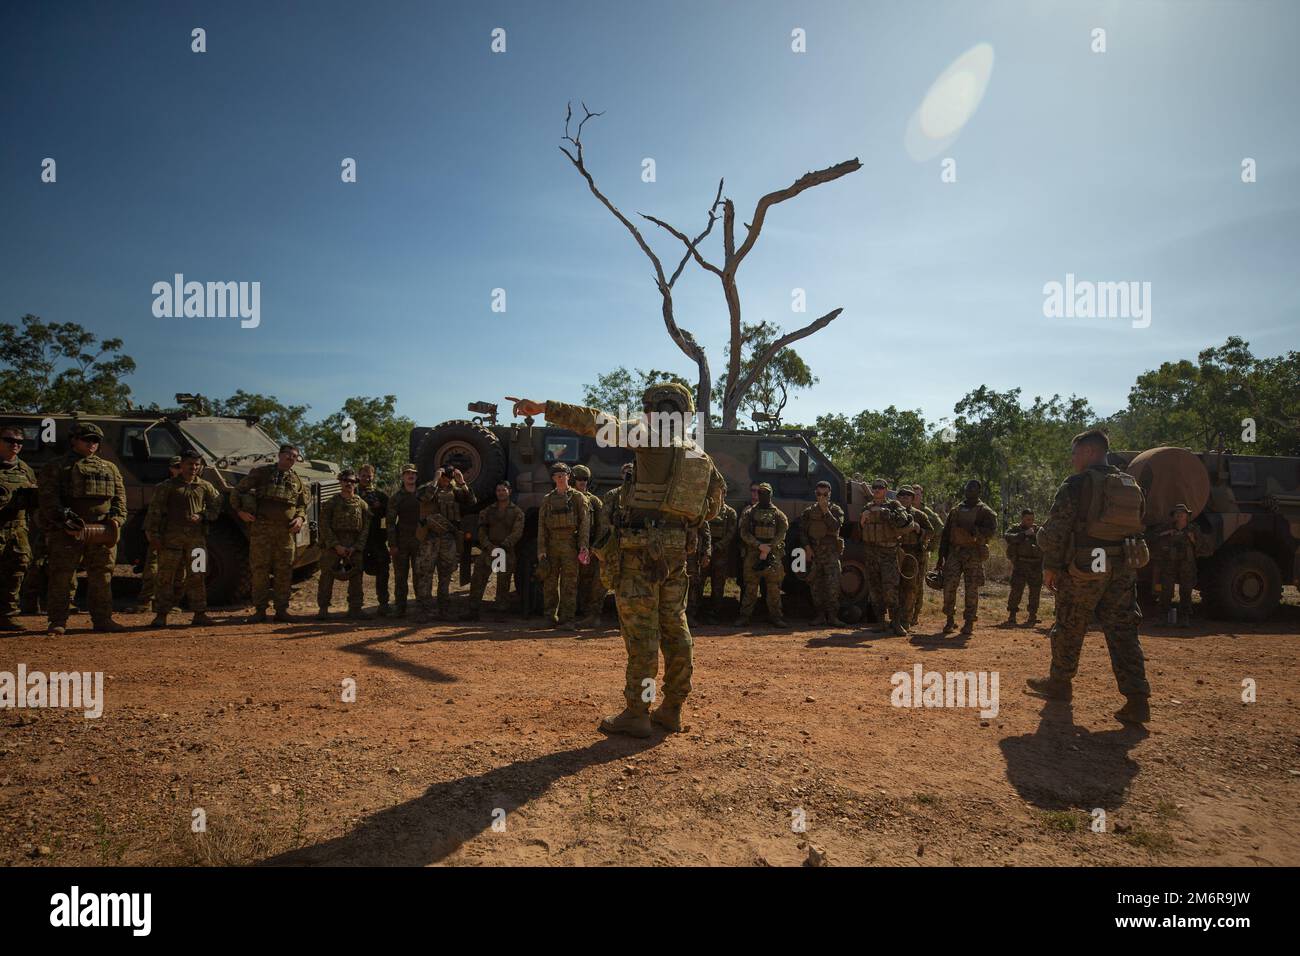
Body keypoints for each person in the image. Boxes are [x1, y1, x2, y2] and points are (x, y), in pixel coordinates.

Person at [508, 384, 724, 737]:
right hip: (675, 554)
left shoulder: (650, 438)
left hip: (640, 553)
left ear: (654, 411)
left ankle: (638, 713)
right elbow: (711, 509)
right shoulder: (699, 455)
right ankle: (671, 710)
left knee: (642, 634)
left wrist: (545, 407)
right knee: (675, 628)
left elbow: (596, 421)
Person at [1026, 429, 1152, 724]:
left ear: (1090, 452)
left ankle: (1060, 684)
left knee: (1070, 623)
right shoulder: (1129, 483)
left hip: (1088, 565)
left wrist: (1050, 562)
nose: (1072, 459)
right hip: (1122, 567)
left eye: (1075, 452)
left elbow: (1056, 534)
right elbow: (1138, 525)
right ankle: (1137, 699)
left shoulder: (1077, 484)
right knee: (1123, 629)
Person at [37, 422, 127, 635]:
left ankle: (103, 619)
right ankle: (58, 621)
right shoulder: (57, 466)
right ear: (74, 440)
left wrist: (116, 520)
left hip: (102, 532)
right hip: (68, 531)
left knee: (102, 576)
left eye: (95, 440)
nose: (92, 444)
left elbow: (119, 498)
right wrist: (65, 519)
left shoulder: (109, 468)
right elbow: (48, 498)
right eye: (87, 439)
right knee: (62, 575)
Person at [232, 443, 309, 623]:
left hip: (285, 533)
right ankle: (260, 611)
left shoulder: (297, 480)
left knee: (284, 572)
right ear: (279, 455)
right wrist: (240, 511)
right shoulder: (261, 473)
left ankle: (281, 610)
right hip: (262, 531)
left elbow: (302, 505)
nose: (291, 459)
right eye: (288, 455)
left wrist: (300, 519)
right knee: (260, 571)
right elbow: (237, 491)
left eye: (295, 456)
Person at [146, 448, 222, 627]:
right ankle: (161, 615)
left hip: (197, 542)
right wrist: (153, 534)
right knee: (166, 576)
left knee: (198, 575)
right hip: (171, 541)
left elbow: (216, 507)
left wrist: (203, 515)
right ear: (181, 465)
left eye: (197, 464)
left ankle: (200, 613)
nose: (193, 468)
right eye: (190, 464)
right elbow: (154, 511)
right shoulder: (167, 486)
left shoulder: (205, 487)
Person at [937, 479, 998, 636]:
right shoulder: (956, 510)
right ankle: (950, 619)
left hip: (973, 553)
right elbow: (946, 534)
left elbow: (991, 531)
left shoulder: (985, 511)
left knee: (971, 589)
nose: (969, 491)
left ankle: (969, 621)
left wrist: (975, 532)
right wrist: (940, 557)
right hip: (955, 553)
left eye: (973, 488)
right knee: (949, 586)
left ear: (979, 491)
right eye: (967, 488)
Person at [414, 466, 475, 620]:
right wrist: (435, 479)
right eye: (444, 477)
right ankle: (424, 610)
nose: (447, 480)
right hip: (430, 537)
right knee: (425, 572)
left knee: (446, 573)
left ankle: (444, 610)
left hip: (448, 538)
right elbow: (424, 498)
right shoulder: (427, 487)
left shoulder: (455, 490)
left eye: (449, 478)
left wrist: (462, 482)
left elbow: (471, 502)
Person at [535, 462, 589, 629]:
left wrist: (583, 545)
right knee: (550, 583)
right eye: (556, 474)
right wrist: (541, 550)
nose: (560, 477)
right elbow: (542, 526)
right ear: (552, 478)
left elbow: (584, 523)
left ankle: (567, 619)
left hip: (570, 546)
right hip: (551, 545)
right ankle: (549, 616)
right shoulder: (547, 499)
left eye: (563, 474)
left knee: (569, 584)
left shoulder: (578, 498)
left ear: (568, 476)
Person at [858, 478, 916, 635]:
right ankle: (880, 622)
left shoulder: (894, 505)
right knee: (875, 589)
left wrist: (883, 513)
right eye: (874, 487)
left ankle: (896, 623)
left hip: (888, 553)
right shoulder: (867, 507)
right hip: (871, 553)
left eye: (880, 487)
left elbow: (903, 521)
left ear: (886, 489)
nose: (876, 490)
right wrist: (863, 517)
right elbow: (861, 528)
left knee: (891, 587)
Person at [129, 455, 184, 613]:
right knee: (152, 568)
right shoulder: (163, 487)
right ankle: (145, 601)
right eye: (176, 467)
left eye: (181, 466)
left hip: (180, 534)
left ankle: (170, 603)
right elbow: (153, 512)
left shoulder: (194, 487)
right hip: (161, 532)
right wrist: (150, 531)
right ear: (171, 469)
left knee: (179, 570)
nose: (179, 470)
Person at [466, 480, 524, 620]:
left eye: (503, 490)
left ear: (509, 491)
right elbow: (481, 529)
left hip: (505, 551)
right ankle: (473, 610)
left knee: (503, 582)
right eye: (498, 490)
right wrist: (488, 545)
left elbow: (517, 532)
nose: (501, 493)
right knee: (478, 578)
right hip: (489, 549)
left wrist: (504, 546)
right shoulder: (488, 510)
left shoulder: (517, 512)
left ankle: (500, 612)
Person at [317, 470, 371, 619]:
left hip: (354, 545)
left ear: (356, 484)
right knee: (327, 576)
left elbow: (366, 528)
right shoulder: (331, 503)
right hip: (334, 545)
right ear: (340, 482)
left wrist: (356, 547)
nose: (349, 483)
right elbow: (324, 525)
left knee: (356, 577)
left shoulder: (362, 504)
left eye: (352, 481)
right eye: (346, 480)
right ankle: (323, 609)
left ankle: (355, 609)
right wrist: (335, 545)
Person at [737, 482, 789, 629]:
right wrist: (758, 545)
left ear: (770, 495)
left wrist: (769, 547)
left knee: (773, 588)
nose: (763, 496)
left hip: (772, 555)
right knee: (750, 587)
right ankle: (744, 617)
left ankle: (776, 617)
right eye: (760, 493)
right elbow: (744, 532)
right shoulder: (749, 513)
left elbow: (782, 532)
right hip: (754, 553)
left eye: (766, 493)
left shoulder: (778, 514)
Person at [0, 425, 37, 631]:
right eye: (9, 440)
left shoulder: (25, 469)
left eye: (19, 442)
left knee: (17, 569)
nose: (15, 445)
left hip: (18, 528)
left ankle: (7, 615)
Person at [799, 480, 845, 627]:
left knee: (833, 587)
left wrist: (825, 511)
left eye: (825, 494)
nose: (822, 497)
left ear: (829, 494)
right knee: (816, 586)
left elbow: (836, 525)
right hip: (815, 554)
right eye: (819, 494)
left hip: (831, 554)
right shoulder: (808, 512)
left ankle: (832, 617)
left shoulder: (837, 510)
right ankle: (819, 616)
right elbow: (802, 532)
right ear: (815, 494)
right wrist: (807, 548)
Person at [1150, 503, 1198, 628]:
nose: (1180, 516)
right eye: (1177, 514)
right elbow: (1151, 538)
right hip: (1169, 564)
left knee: (1186, 591)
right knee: (1165, 591)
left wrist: (1193, 539)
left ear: (1187, 516)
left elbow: (1204, 546)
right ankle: (1162, 618)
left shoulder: (1193, 529)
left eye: (1182, 514)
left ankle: (1184, 618)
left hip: (1186, 565)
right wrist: (1165, 534)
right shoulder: (1167, 528)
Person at [571, 464, 607, 628]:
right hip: (570, 547)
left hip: (588, 548)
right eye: (579, 479)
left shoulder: (594, 501)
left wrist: (595, 547)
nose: (582, 482)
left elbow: (601, 526)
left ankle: (589, 615)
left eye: (585, 479)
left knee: (589, 582)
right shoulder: (567, 499)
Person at [894, 486, 933, 630]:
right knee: (894, 587)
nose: (904, 499)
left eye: (907, 497)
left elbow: (931, 532)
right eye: (901, 496)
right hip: (895, 552)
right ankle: (895, 619)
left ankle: (906, 620)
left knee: (910, 588)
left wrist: (919, 530)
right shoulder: (892, 513)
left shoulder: (919, 515)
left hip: (912, 555)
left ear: (912, 499)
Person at [385, 463, 421, 617]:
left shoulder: (422, 495)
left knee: (420, 576)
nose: (410, 475)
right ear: (403, 477)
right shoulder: (396, 497)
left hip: (419, 541)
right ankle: (400, 608)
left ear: (416, 476)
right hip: (402, 541)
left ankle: (421, 609)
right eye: (407, 473)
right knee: (401, 577)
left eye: (413, 473)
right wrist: (392, 544)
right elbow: (390, 522)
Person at [356, 464, 391, 616]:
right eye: (363, 475)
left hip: (377, 539)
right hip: (358, 540)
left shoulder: (380, 496)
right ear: (359, 476)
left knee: (383, 571)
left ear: (373, 476)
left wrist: (380, 506)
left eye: (369, 475)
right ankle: (356, 606)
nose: (366, 478)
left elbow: (389, 515)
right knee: (356, 573)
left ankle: (383, 604)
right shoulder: (353, 493)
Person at [1003, 508, 1045, 626]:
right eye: (1027, 519)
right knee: (1016, 591)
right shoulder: (1016, 529)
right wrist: (1024, 534)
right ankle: (1012, 615)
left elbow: (1047, 543)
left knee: (1035, 593)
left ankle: (1032, 616)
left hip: (1035, 566)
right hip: (1020, 565)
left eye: (1032, 519)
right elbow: (1007, 537)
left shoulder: (1038, 531)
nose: (1030, 522)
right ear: (1022, 519)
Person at [700, 497, 737, 624]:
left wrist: (718, 546)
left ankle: (714, 613)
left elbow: (731, 533)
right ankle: (695, 612)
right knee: (699, 582)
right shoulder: (706, 510)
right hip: (705, 551)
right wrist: (706, 547)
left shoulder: (730, 512)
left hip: (720, 553)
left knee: (718, 585)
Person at [910, 484, 943, 627]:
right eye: (913, 494)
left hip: (921, 552)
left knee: (917, 584)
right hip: (905, 552)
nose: (915, 496)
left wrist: (930, 547)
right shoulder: (904, 508)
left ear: (921, 495)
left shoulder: (926, 512)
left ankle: (915, 614)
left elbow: (939, 528)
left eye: (918, 494)